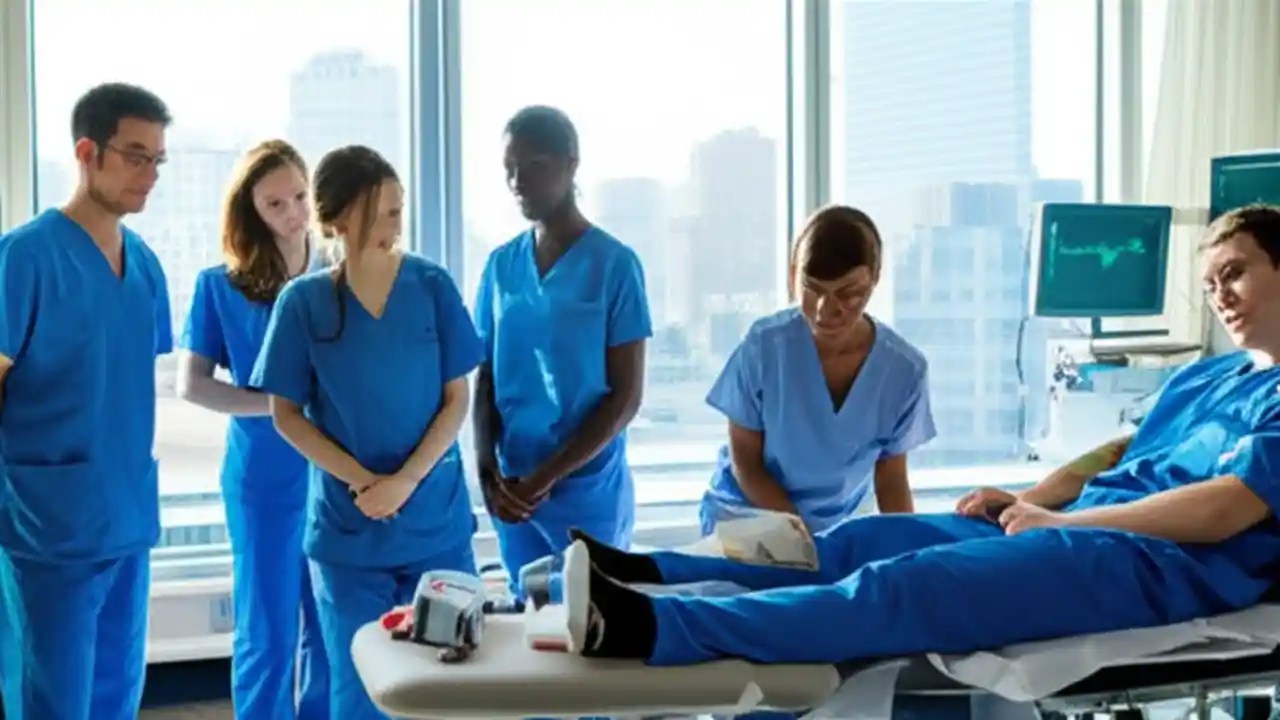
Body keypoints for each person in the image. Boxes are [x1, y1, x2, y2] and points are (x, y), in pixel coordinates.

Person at [560, 204, 1280, 670]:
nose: (1216, 292)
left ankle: (648, 626)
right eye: (1211, 278)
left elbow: (1227, 508)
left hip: (1151, 564)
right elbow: (1120, 454)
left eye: (1234, 272)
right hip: (1071, 526)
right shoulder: (1204, 377)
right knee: (854, 544)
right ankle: (641, 571)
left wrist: (1064, 518)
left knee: (900, 587)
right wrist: (1029, 498)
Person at [250, 144, 482, 719]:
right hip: (348, 534)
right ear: (338, 218)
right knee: (361, 695)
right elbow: (286, 414)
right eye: (381, 212)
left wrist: (404, 481)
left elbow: (458, 398)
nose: (394, 226)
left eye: (398, 211)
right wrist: (365, 484)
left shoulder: (431, 285)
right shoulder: (303, 303)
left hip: (435, 522)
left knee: (449, 687)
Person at [0, 83, 173, 719]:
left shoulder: (147, 266)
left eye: (158, 159)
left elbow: (127, 391)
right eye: (134, 155)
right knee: (53, 703)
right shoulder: (24, 258)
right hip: (48, 527)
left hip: (125, 519)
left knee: (115, 698)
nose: (149, 174)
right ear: (86, 152)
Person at [177, 139, 328, 720]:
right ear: (250, 212)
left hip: (332, 471)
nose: (294, 214)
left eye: (299, 197)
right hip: (262, 477)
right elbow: (192, 384)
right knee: (267, 631)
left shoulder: (340, 271)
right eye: (275, 204)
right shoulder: (220, 285)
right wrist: (276, 407)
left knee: (330, 624)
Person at [472, 105, 652, 594]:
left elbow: (625, 398)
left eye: (535, 166)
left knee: (591, 624)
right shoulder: (500, 266)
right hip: (514, 488)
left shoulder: (614, 266)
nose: (518, 181)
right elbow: (486, 375)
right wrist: (487, 470)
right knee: (526, 631)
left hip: (585, 488)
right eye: (509, 168)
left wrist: (545, 478)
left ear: (572, 164)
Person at [700, 205, 933, 534]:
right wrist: (800, 537)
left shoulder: (903, 371)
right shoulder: (764, 348)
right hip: (746, 517)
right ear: (794, 273)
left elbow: (892, 480)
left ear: (875, 279)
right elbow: (746, 464)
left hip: (836, 529)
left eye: (849, 293)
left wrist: (906, 552)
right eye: (813, 289)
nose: (826, 310)